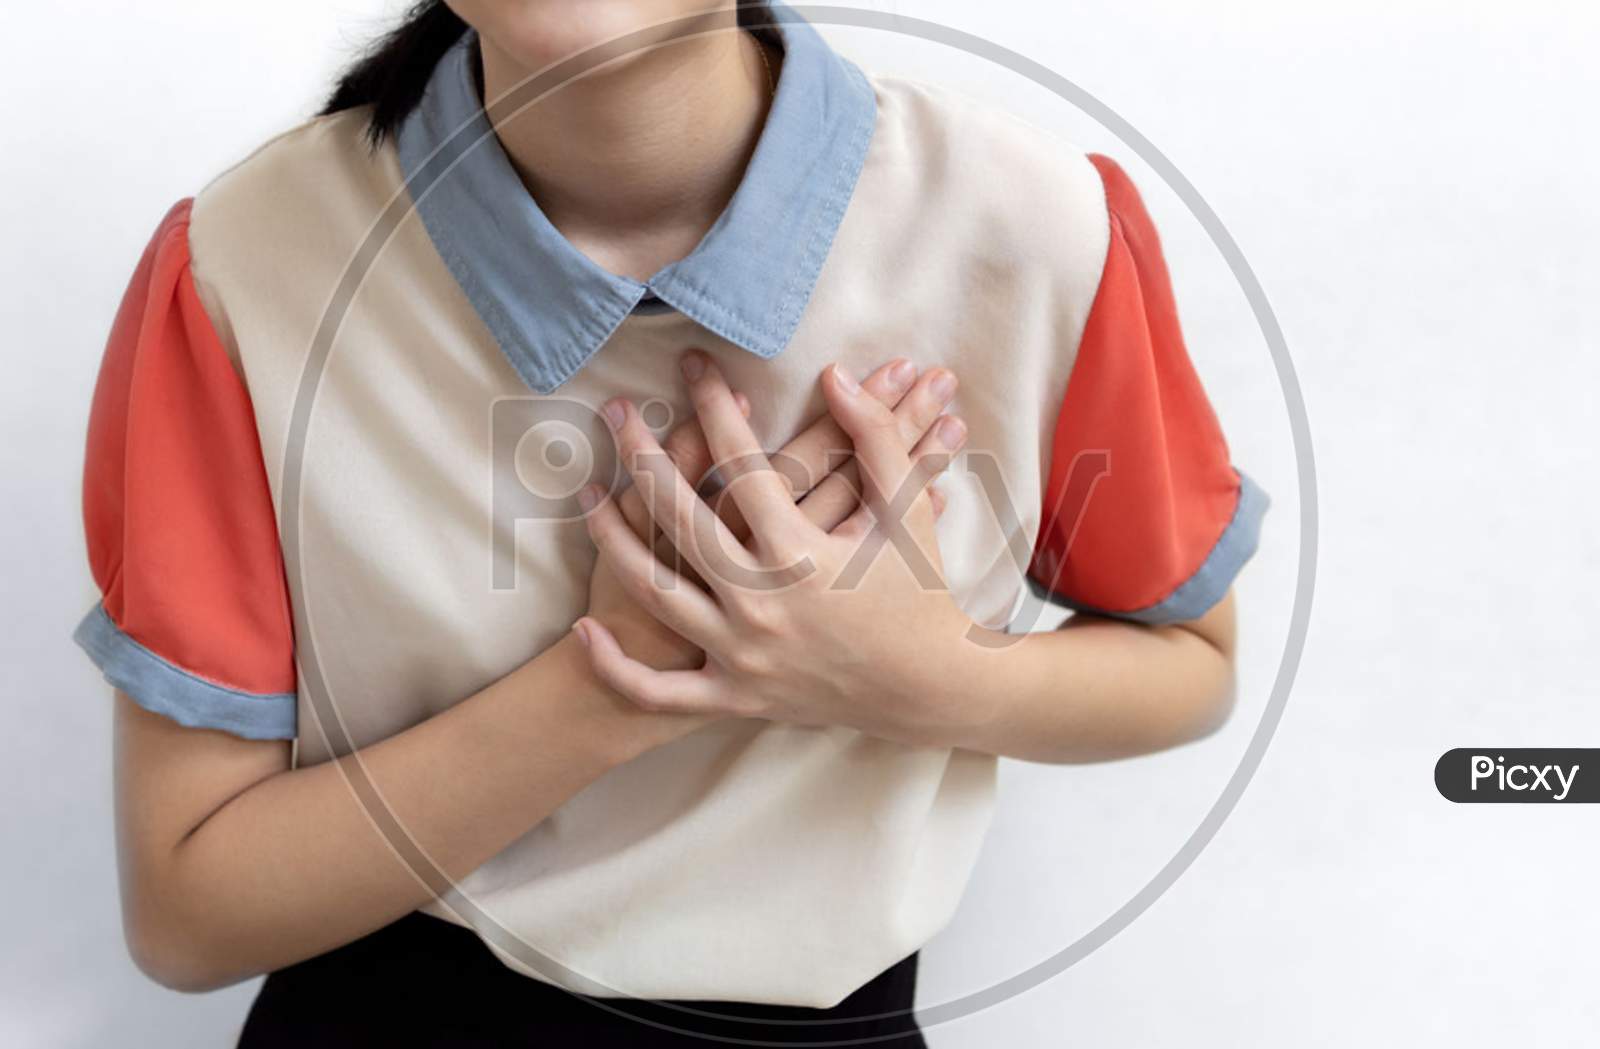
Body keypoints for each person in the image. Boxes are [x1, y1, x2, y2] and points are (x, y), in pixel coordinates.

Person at [71, 1, 1266, 1044]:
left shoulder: (1036, 223)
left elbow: (1191, 662)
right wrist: (613, 681)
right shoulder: (239, 268)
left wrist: (910, 672)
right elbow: (188, 913)